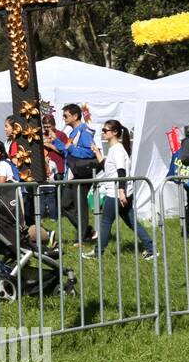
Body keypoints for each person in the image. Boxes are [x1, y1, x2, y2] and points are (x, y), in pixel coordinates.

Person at [84, 121, 155, 261]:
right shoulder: (115, 149)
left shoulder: (117, 150)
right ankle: (151, 249)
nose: (103, 132)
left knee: (105, 223)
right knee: (132, 222)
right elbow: (108, 169)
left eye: (105, 130)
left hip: (115, 193)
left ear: (115, 132)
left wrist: (121, 192)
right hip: (120, 193)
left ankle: (98, 253)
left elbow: (121, 172)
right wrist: (97, 153)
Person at [58, 103, 100, 245]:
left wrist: (71, 149)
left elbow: (90, 152)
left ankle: (83, 239)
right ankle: (87, 231)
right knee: (65, 204)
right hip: (73, 173)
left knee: (80, 206)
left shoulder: (84, 131)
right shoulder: (74, 132)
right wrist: (56, 141)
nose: (64, 119)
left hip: (82, 174)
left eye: (66, 116)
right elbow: (67, 150)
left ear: (75, 116)